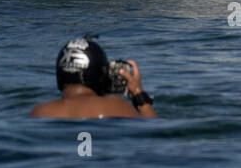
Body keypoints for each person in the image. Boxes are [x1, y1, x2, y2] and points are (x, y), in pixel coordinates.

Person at [29, 35, 159, 119]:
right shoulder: (116, 106)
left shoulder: (40, 112)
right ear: (101, 74)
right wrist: (139, 95)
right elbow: (154, 131)